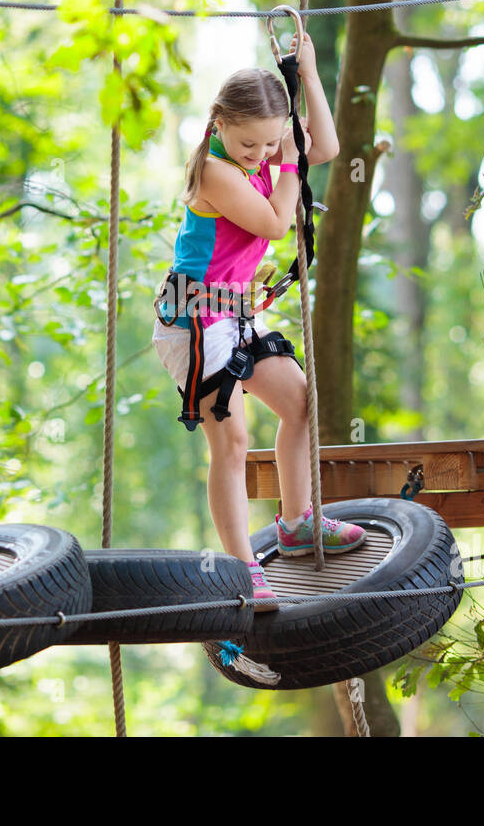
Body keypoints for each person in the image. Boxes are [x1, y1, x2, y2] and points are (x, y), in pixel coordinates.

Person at [151, 32, 366, 611]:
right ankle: (242, 568)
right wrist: (289, 157)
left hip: (233, 311)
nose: (262, 155)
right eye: (251, 143)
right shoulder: (214, 171)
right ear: (218, 123)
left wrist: (310, 77)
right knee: (233, 438)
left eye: (271, 143)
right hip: (191, 317)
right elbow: (276, 223)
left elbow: (326, 146)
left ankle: (296, 524)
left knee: (300, 401)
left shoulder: (269, 153)